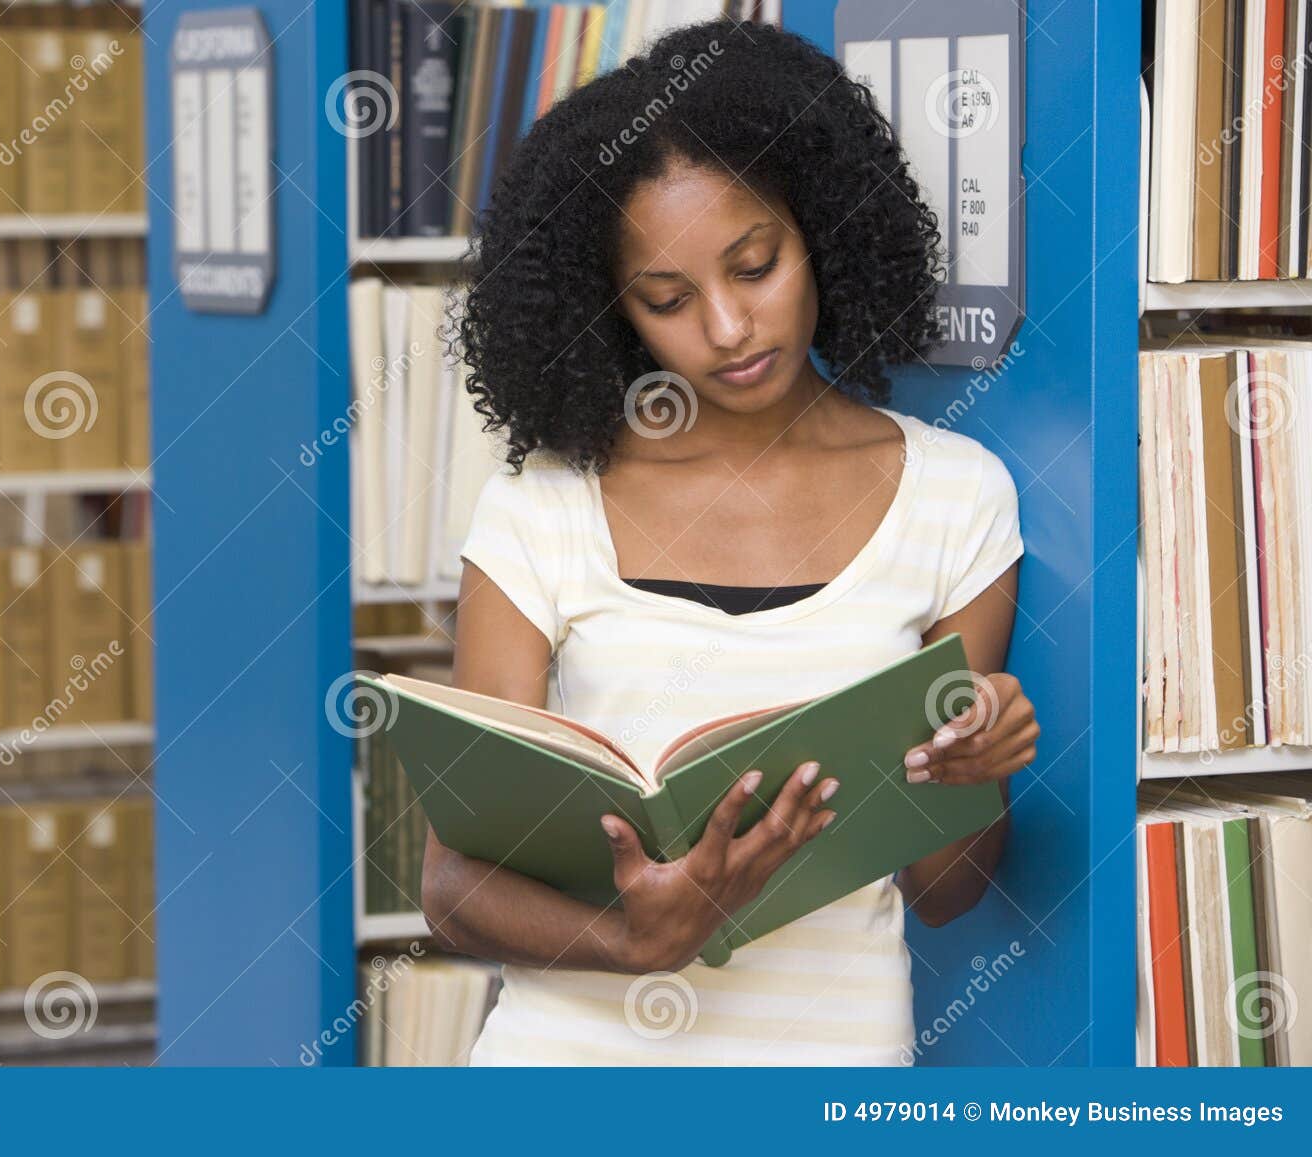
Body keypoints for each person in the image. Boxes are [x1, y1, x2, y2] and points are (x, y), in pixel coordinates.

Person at [425, 20, 1038, 1066]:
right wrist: (629, 940)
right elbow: (453, 887)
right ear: (612, 310)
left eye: (755, 266)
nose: (725, 327)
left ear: (822, 229)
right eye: (665, 299)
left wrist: (975, 769)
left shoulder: (954, 500)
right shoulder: (544, 507)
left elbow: (948, 894)